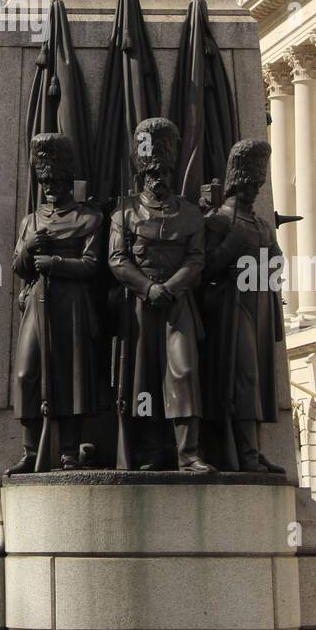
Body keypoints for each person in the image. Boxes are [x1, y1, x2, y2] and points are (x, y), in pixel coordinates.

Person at [109, 117, 214, 473]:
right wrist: (148, 287)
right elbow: (117, 260)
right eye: (152, 175)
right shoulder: (123, 215)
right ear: (142, 176)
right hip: (139, 304)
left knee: (183, 371)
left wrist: (171, 287)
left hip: (177, 301)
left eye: (163, 174)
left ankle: (189, 453)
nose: (159, 181)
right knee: (145, 378)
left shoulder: (190, 214)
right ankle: (152, 452)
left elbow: (197, 258)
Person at [7, 134, 103, 474]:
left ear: (66, 180)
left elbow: (93, 265)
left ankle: (68, 451)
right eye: (44, 182)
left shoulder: (88, 219)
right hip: (37, 301)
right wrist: (28, 246)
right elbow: (18, 267)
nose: (49, 188)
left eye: (55, 182)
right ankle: (31, 450)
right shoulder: (30, 222)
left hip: (72, 304)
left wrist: (57, 265)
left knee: (70, 375)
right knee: (26, 372)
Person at [201, 140, 285, 473]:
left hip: (260, 306)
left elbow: (277, 265)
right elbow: (204, 267)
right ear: (237, 182)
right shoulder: (218, 221)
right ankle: (243, 453)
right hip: (231, 308)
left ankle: (255, 447)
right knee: (243, 378)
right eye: (248, 184)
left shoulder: (264, 225)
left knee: (261, 380)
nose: (253, 191)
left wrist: (268, 267)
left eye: (257, 185)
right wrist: (232, 249)